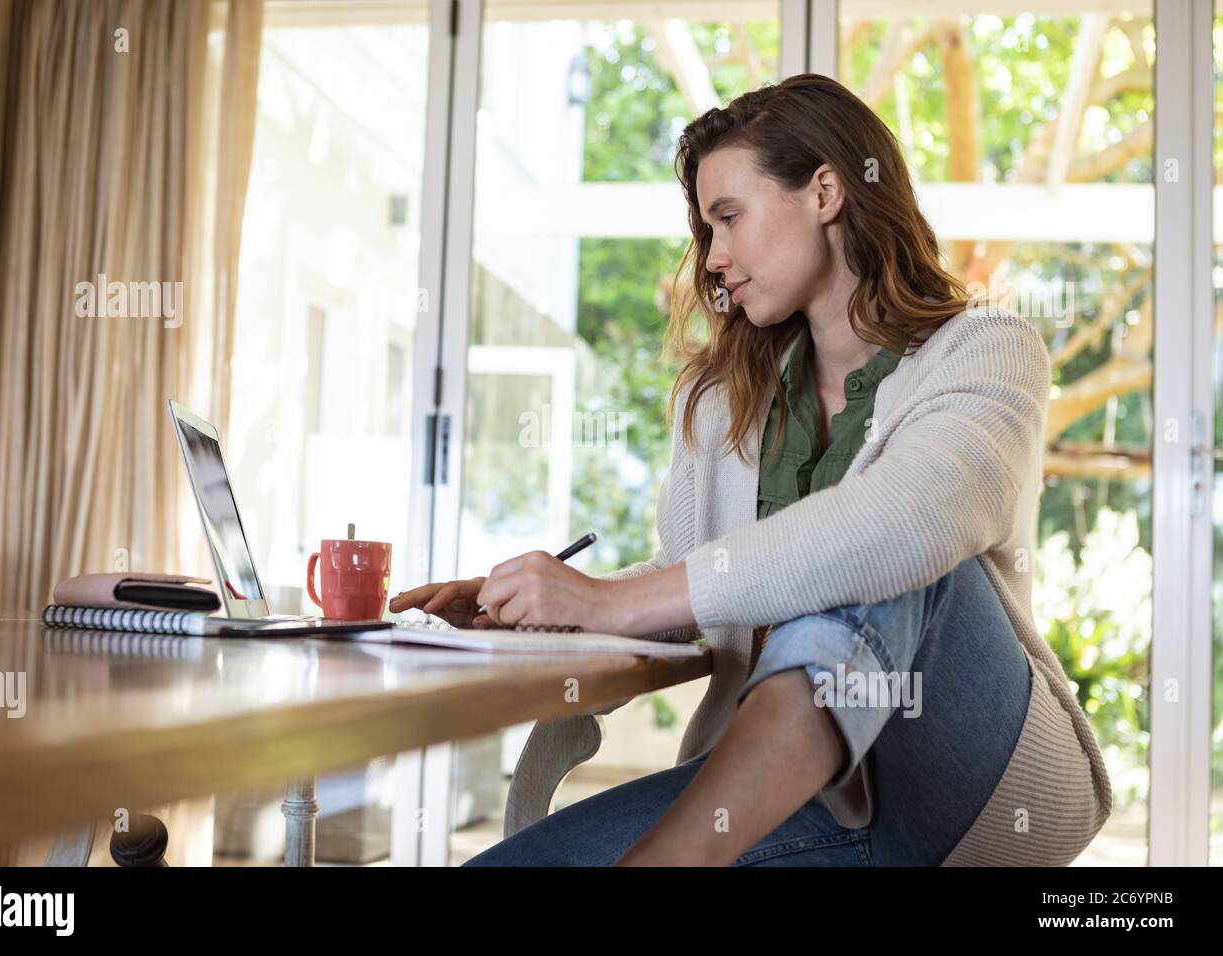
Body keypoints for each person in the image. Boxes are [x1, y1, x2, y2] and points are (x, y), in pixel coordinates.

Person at [390, 73, 1111, 866]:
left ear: (827, 191)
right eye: (707, 228)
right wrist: (544, 611)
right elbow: (691, 584)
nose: (715, 256)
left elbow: (912, 519)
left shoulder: (986, 349)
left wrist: (614, 598)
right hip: (784, 793)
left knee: (887, 551)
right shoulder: (724, 401)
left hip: (958, 781)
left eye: (729, 216)